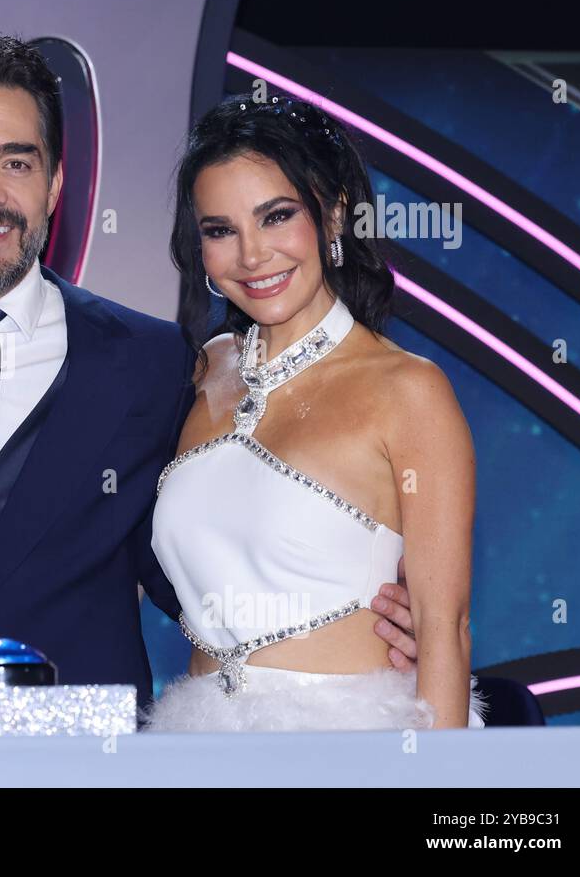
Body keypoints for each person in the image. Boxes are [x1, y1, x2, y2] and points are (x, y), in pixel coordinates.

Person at [0, 29, 420, 733]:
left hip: (90, 767)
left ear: (53, 185)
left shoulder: (151, 361)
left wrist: (358, 610)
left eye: (16, 163)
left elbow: (198, 555)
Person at [145, 94, 487, 731]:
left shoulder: (408, 390)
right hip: (195, 750)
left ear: (331, 217)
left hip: (349, 752)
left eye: (276, 217)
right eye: (221, 230)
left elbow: (445, 635)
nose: (252, 256)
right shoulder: (205, 369)